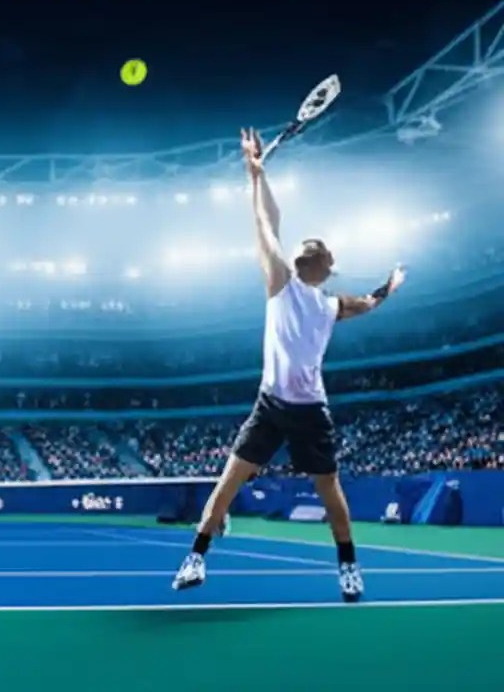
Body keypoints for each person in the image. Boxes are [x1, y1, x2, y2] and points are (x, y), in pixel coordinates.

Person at [171, 128, 407, 603]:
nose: (303, 252)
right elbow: (266, 224)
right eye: (303, 250)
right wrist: (256, 174)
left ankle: (348, 568)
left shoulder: (328, 305)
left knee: (329, 490)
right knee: (229, 480)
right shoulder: (280, 282)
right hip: (270, 405)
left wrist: (387, 288)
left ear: (326, 265)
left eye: (312, 251)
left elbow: (365, 304)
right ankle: (195, 557)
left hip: (310, 411)